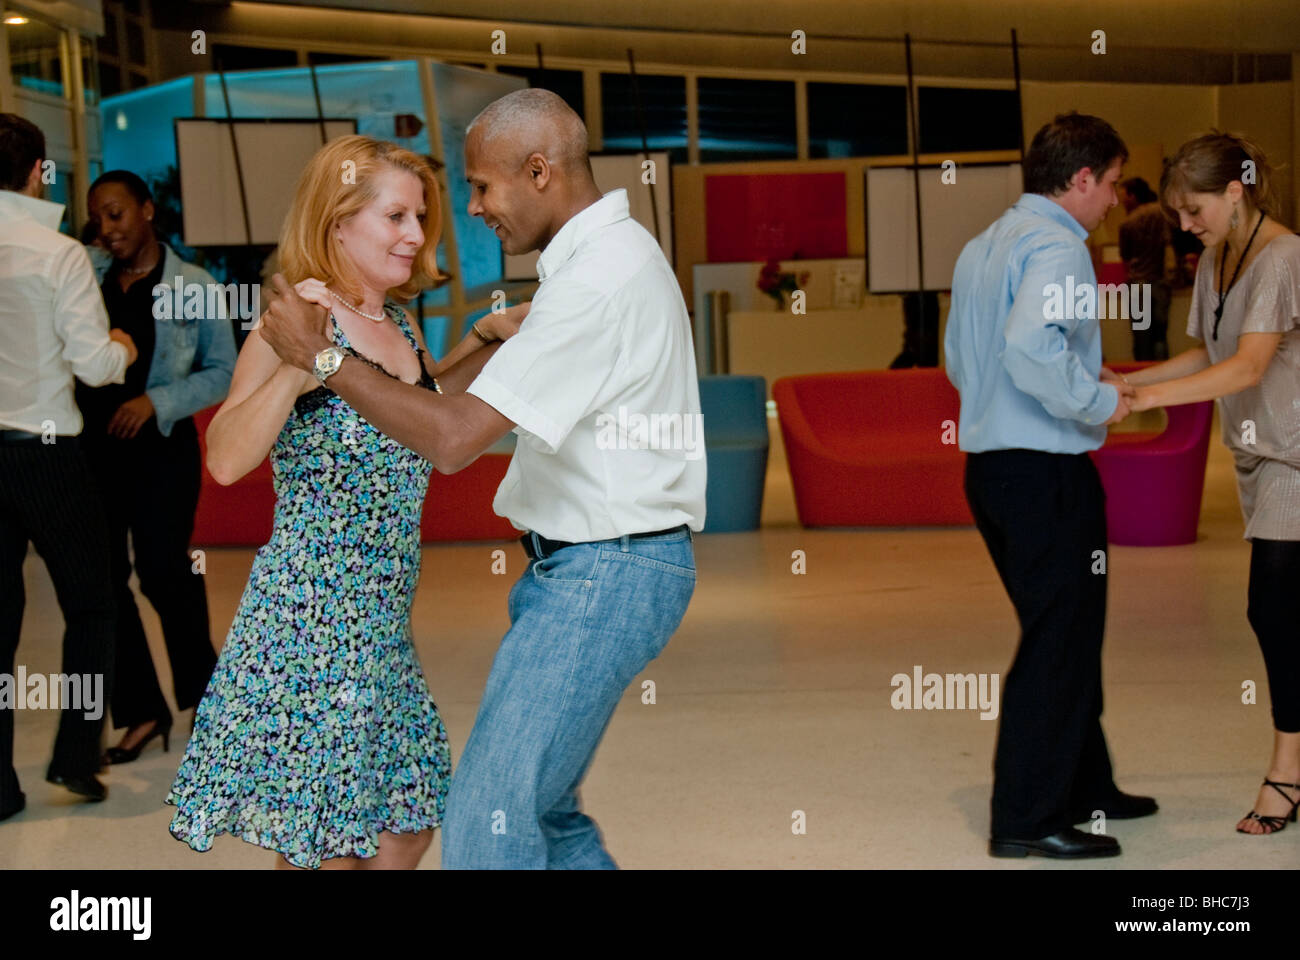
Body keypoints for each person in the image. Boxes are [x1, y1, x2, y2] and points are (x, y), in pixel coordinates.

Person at [260, 87, 706, 869]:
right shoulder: (603, 262)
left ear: (538, 171)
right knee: (544, 815)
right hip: (605, 566)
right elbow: (445, 401)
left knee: (487, 819)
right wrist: (479, 340)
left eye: (480, 186)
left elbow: (453, 438)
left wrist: (323, 358)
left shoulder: (595, 281)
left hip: (605, 571)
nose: (468, 210)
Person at [165, 135, 522, 869]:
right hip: (312, 621)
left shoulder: (397, 325)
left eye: (419, 217)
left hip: (381, 623)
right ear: (337, 221)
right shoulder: (301, 318)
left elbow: (424, 415)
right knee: (330, 842)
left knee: (406, 819)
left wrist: (483, 338)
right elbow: (226, 458)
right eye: (396, 216)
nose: (416, 234)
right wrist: (303, 365)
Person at [944, 112, 1156, 859]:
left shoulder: (986, 243)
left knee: (1066, 631)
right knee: (1058, 642)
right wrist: (1097, 401)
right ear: (1082, 177)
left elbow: (964, 360)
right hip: (1046, 474)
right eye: (1114, 182)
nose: (1117, 200)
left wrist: (1081, 378)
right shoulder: (1059, 247)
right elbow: (1032, 348)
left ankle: (1086, 784)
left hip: (994, 472)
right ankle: (1027, 819)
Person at [1125, 132, 1300, 836]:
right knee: (1280, 609)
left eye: (1193, 210)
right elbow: (1208, 352)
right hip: (1258, 454)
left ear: (1235, 191)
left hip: (1295, 457)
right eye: (1178, 212)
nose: (1184, 224)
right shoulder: (1218, 259)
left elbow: (1249, 366)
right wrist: (1132, 383)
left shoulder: (1282, 257)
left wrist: (1146, 401)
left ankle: (1287, 771)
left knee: (1272, 607)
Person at [0, 113, 137, 817]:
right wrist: (123, 346)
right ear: (37, 172)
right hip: (47, 452)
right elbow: (93, 365)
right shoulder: (57, 254)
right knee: (91, 604)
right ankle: (77, 759)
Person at [77, 170, 236, 765]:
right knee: (103, 581)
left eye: (116, 214)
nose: (106, 228)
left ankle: (205, 699)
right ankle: (142, 710)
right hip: (90, 452)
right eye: (98, 217)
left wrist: (155, 402)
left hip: (161, 451)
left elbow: (223, 370)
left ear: (147, 210)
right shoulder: (84, 277)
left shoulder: (193, 285)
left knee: (164, 572)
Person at [1118, 177, 1171, 361]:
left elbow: (1125, 258)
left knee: (1142, 339)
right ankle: (1164, 374)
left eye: (1124, 196)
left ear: (1133, 196)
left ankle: (1143, 376)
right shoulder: (1162, 213)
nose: (1121, 201)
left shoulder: (1128, 222)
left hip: (1138, 284)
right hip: (1160, 282)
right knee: (1160, 337)